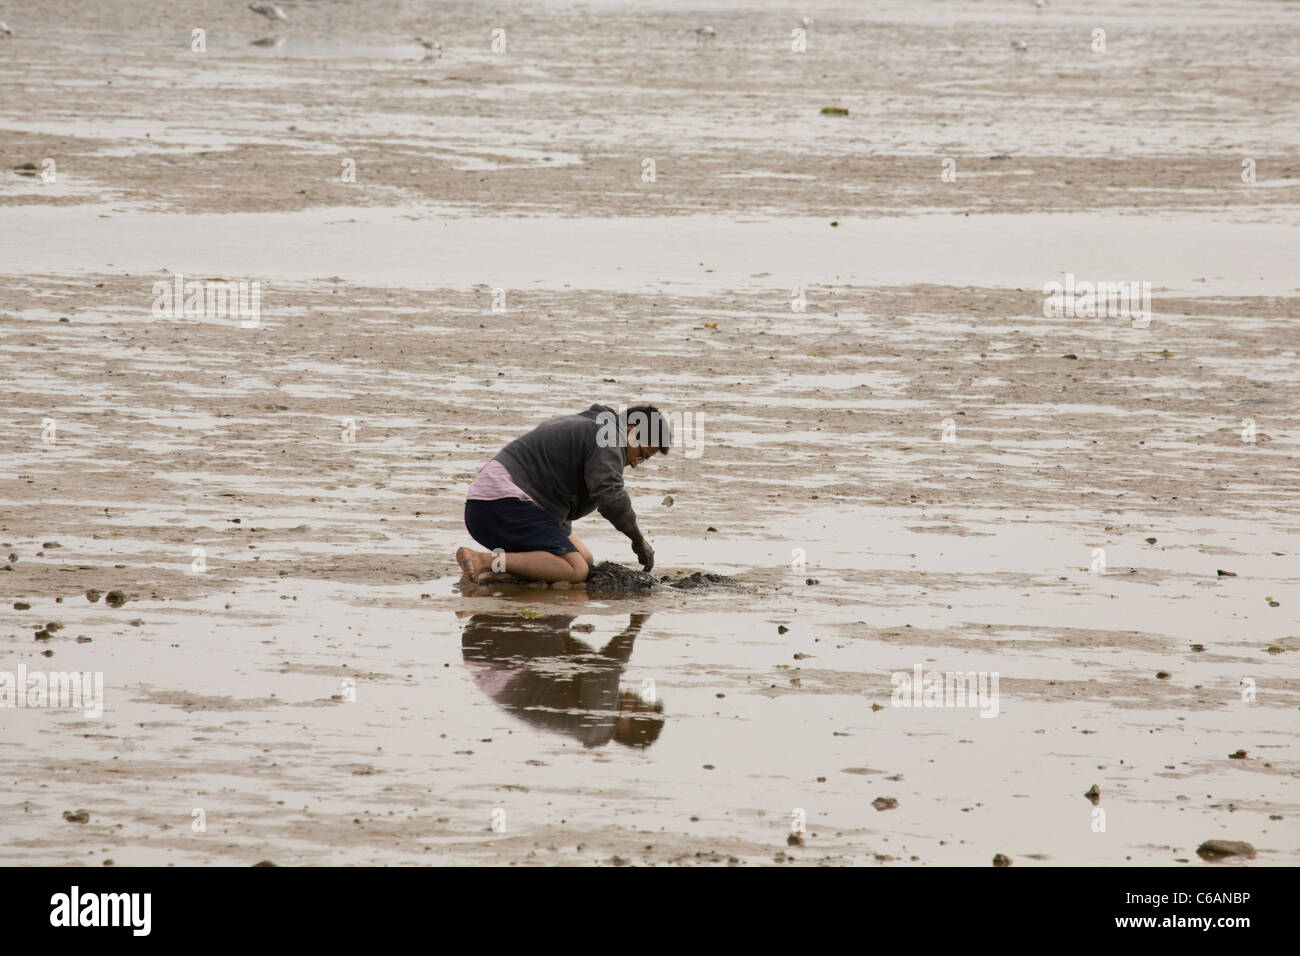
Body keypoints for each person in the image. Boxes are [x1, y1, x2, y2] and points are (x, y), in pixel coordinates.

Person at [455, 403, 669, 585]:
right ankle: (482, 560)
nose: (633, 464)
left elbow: (556, 495)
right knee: (576, 570)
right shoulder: (609, 436)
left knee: (584, 558)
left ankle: (490, 574)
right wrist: (638, 540)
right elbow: (610, 496)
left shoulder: (593, 426)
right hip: (499, 504)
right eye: (640, 455)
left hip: (491, 505)